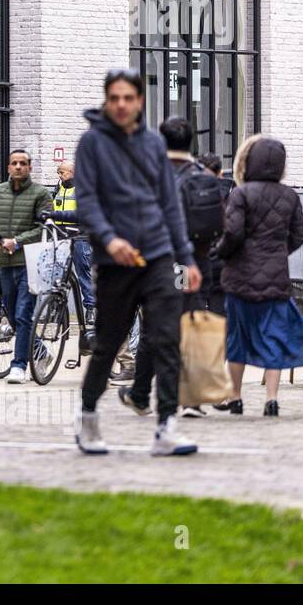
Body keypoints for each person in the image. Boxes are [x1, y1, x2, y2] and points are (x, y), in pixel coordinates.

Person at [73, 69, 202, 457]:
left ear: (140, 101)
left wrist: (187, 258)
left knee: (167, 338)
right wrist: (110, 241)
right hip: (115, 262)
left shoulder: (152, 145)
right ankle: (89, 417)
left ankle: (166, 426)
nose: (122, 104)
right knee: (108, 342)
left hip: (159, 255)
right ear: (106, 100)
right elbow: (88, 202)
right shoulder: (92, 144)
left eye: (128, 97)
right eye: (114, 98)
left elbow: (169, 206)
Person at [212, 135, 303, 418]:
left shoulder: (240, 194)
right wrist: (277, 252)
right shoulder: (289, 196)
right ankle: (271, 400)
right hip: (275, 278)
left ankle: (235, 397)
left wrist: (221, 253)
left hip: (239, 278)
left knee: (237, 337)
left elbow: (233, 233)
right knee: (273, 336)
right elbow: (301, 234)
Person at [161, 118, 230, 418]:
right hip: (200, 262)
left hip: (168, 262)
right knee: (197, 325)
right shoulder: (203, 180)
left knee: (168, 326)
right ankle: (192, 396)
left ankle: (162, 395)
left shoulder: (155, 175)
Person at [0, 149, 49, 384]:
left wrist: (18, 241)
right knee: (12, 316)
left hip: (29, 262)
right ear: (8, 167)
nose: (19, 167)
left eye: (23, 163)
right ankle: (40, 350)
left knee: (23, 313)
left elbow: (44, 226)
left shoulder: (40, 194)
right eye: (14, 163)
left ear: (30, 167)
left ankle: (19, 365)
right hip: (4, 262)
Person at [50, 159, 94, 325]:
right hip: (61, 237)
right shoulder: (58, 189)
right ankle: (56, 309)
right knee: (57, 273)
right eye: (59, 173)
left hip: (80, 237)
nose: (60, 176)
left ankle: (90, 309)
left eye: (63, 172)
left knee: (84, 273)